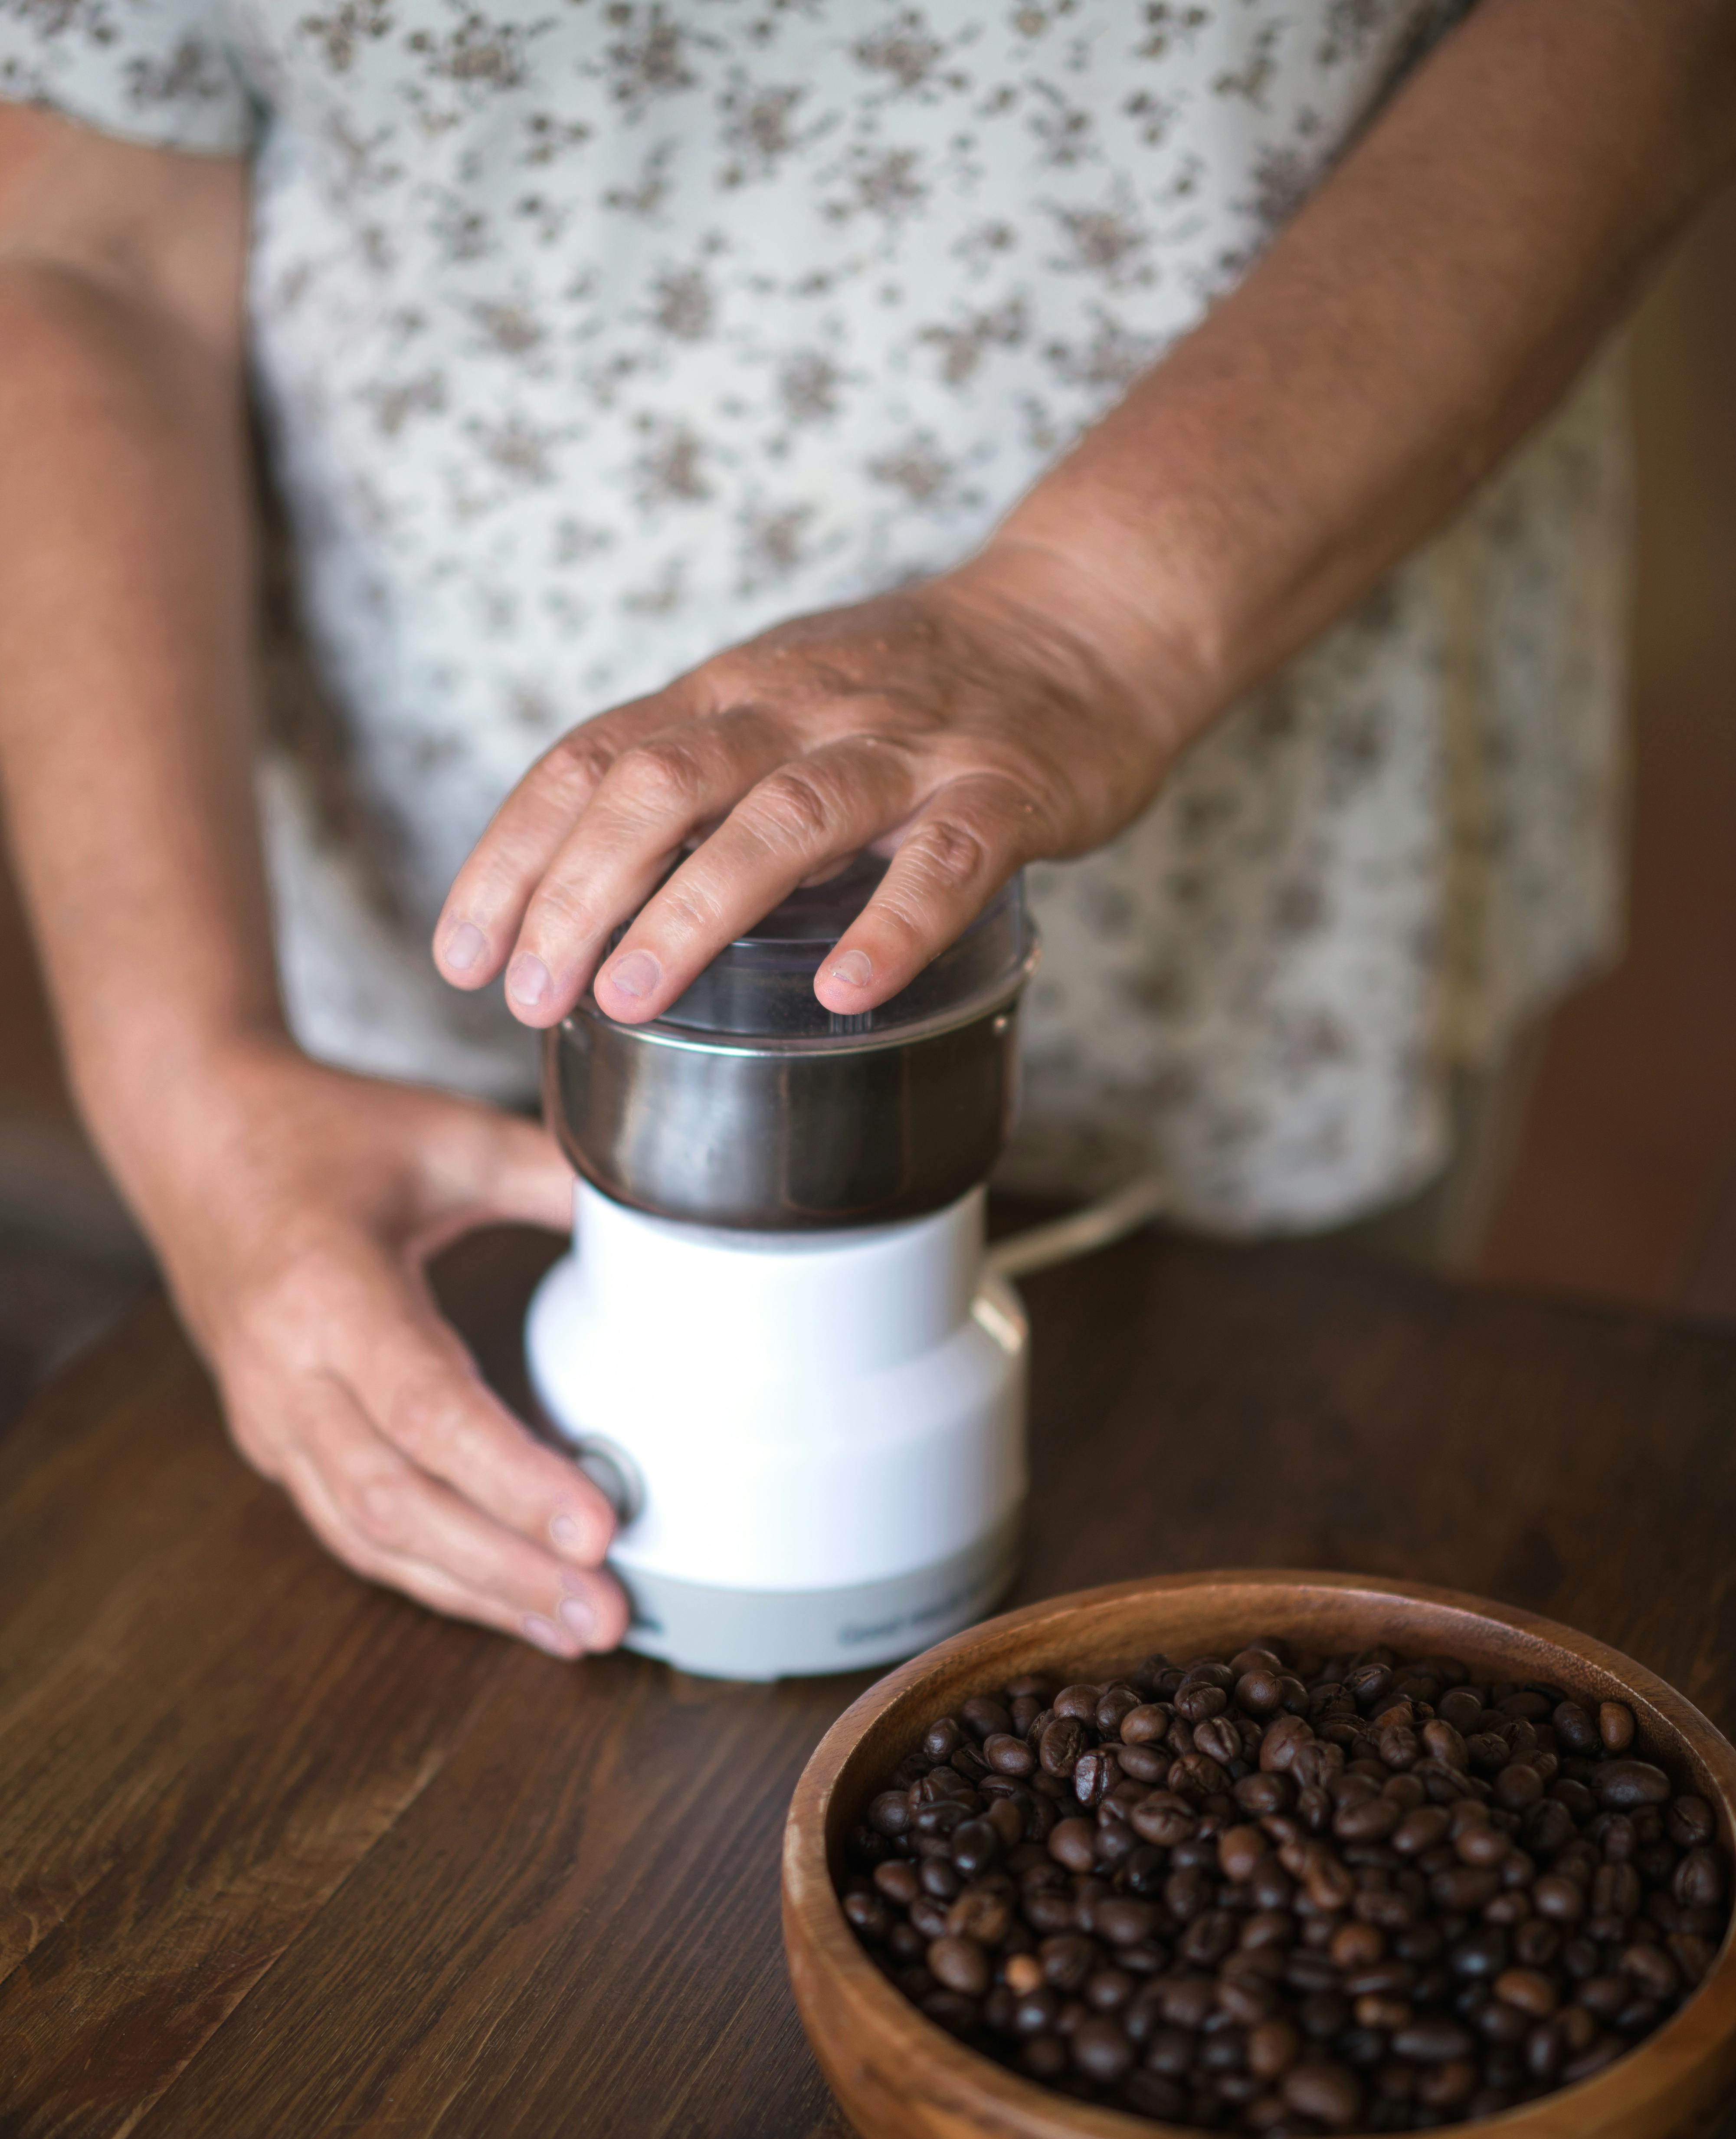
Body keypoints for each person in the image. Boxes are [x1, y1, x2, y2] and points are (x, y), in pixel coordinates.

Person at [0, 1, 1731, 1658]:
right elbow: (76, 243)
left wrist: (1085, 627)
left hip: (1269, 860)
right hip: (427, 924)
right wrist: (181, 1066)